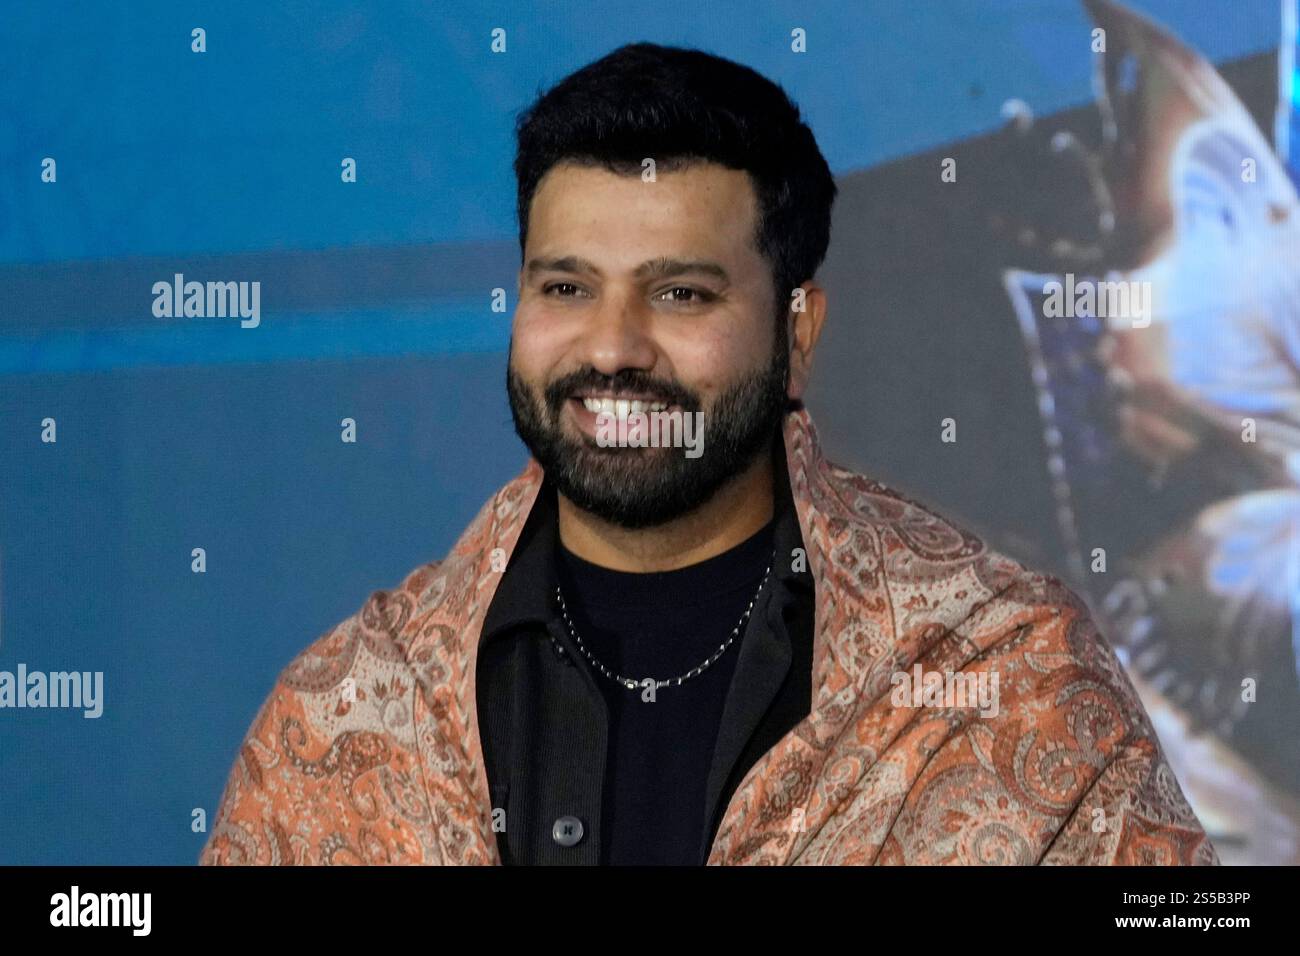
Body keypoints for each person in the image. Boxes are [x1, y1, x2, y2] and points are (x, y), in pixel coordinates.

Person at [200, 42, 1216, 866]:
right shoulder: (349, 711)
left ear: (798, 333)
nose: (610, 346)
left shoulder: (1003, 670)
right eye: (564, 286)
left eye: (680, 293)